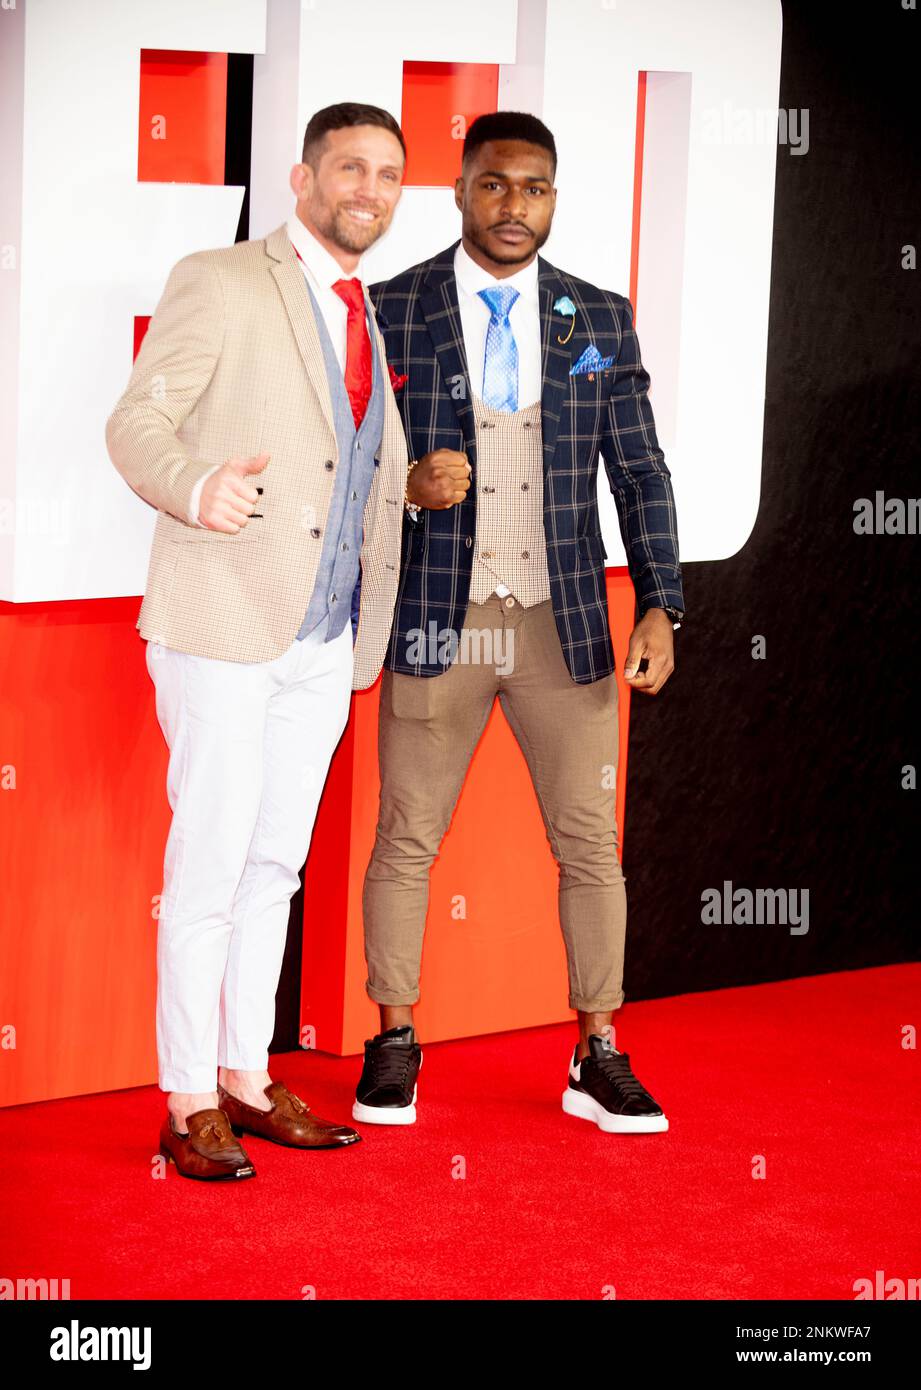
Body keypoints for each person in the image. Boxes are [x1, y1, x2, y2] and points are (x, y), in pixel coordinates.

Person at [354, 111, 684, 1135]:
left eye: (534, 187)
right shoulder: (389, 308)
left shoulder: (598, 317)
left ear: (553, 197)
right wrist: (406, 487)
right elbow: (343, 462)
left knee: (591, 845)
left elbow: (639, 470)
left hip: (562, 621)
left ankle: (598, 1051)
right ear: (457, 190)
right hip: (438, 618)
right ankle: (396, 1040)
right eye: (494, 185)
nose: (514, 206)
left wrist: (665, 601)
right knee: (407, 837)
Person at [106, 102, 408, 1179]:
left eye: (386, 172)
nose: (367, 188)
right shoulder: (224, 278)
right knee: (210, 863)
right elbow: (137, 419)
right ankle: (186, 1095)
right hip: (224, 620)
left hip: (324, 637)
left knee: (275, 865)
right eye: (348, 167)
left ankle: (244, 1071)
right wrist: (194, 486)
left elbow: (342, 461)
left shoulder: (368, 310)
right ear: (301, 175)